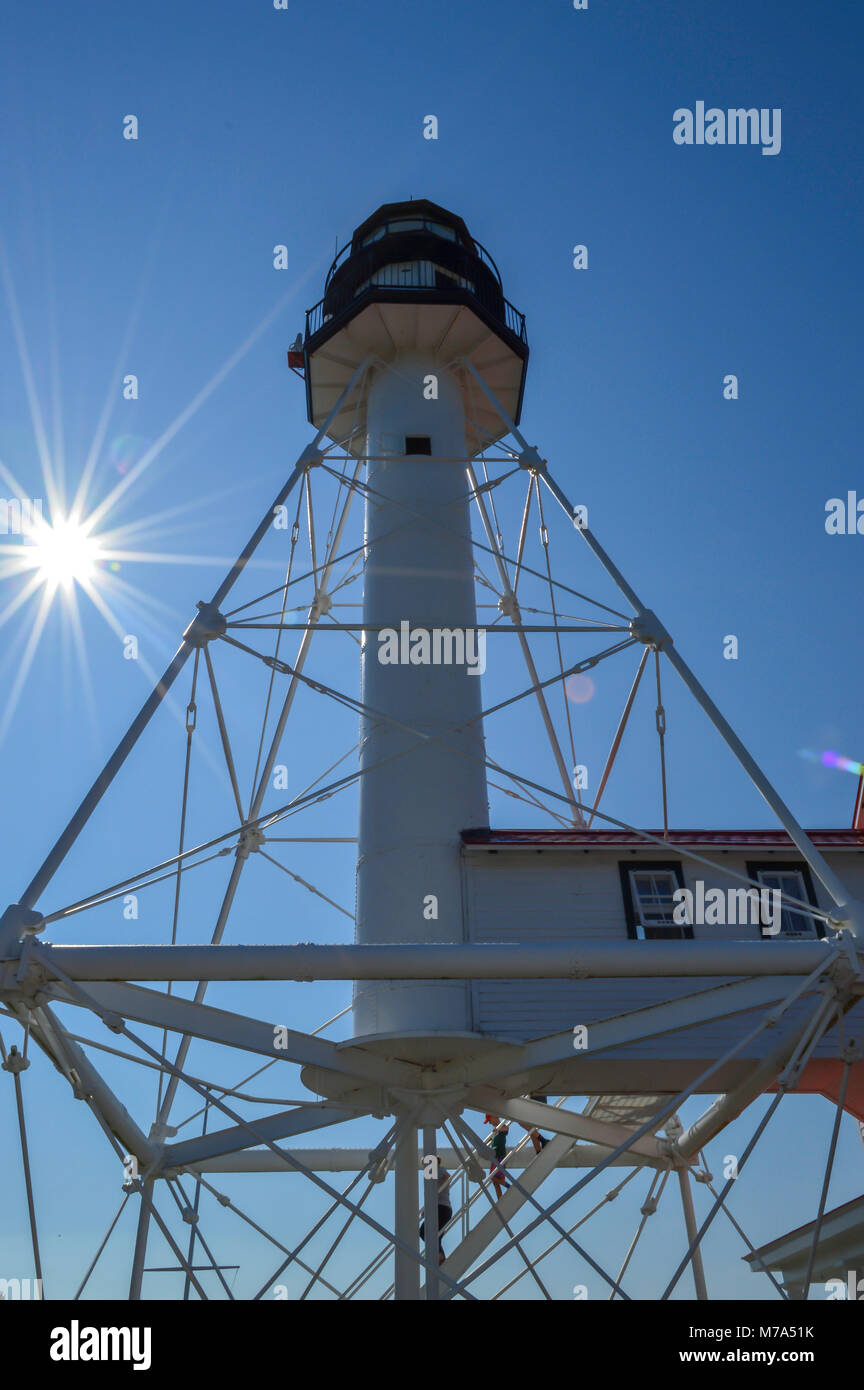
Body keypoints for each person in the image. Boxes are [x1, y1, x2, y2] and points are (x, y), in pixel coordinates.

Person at [419, 1157, 452, 1264]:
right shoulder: (431, 1175)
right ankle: (440, 1257)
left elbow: (448, 1177)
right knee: (432, 1235)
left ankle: (440, 1256)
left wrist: (438, 1191)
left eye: (426, 1164)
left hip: (441, 1208)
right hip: (439, 1208)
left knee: (425, 1231)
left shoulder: (439, 1170)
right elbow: (431, 1195)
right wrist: (426, 1208)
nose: (425, 1167)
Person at [484, 1114, 512, 1199]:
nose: (489, 1123)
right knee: (496, 1181)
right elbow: (491, 1140)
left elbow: (506, 1128)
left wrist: (497, 1130)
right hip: (495, 1157)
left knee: (492, 1177)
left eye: (489, 1120)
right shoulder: (495, 1131)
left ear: (494, 1117)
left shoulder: (501, 1126)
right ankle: (500, 1200)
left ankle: (509, 1187)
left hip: (499, 1156)